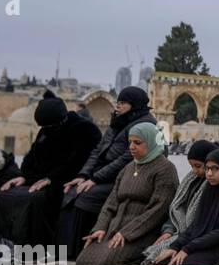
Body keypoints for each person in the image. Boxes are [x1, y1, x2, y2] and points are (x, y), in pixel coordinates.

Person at [0, 96, 101, 245]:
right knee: (5, 194)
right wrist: (23, 176)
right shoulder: (47, 128)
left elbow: (79, 161)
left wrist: (51, 178)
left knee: (36, 199)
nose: (46, 129)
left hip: (66, 179)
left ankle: (34, 247)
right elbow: (32, 155)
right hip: (40, 178)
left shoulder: (85, 129)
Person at [58, 87, 155, 253]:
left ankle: (78, 250)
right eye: (118, 102)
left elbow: (127, 159)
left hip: (125, 179)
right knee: (71, 190)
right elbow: (98, 150)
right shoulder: (118, 120)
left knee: (85, 196)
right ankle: (63, 249)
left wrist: (95, 179)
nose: (118, 106)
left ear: (135, 104)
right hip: (103, 174)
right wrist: (84, 175)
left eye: (123, 103)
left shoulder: (146, 125)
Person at [75, 123, 179, 265]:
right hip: (115, 229)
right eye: (130, 142)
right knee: (83, 262)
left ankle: (141, 256)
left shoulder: (165, 169)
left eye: (137, 143)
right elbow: (111, 203)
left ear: (151, 142)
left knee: (104, 264)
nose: (131, 147)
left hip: (141, 233)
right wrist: (100, 228)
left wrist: (128, 233)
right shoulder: (128, 168)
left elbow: (158, 210)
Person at [153, 148, 219, 265]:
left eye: (215, 168)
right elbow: (197, 224)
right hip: (202, 243)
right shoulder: (209, 190)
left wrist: (188, 248)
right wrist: (175, 246)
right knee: (162, 260)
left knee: (180, 264)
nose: (209, 173)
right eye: (207, 168)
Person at [141, 140, 216, 265]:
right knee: (152, 251)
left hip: (195, 236)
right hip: (180, 231)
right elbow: (177, 208)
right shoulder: (191, 180)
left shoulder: (212, 184)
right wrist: (168, 231)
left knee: (164, 261)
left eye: (198, 166)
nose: (194, 171)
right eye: (192, 166)